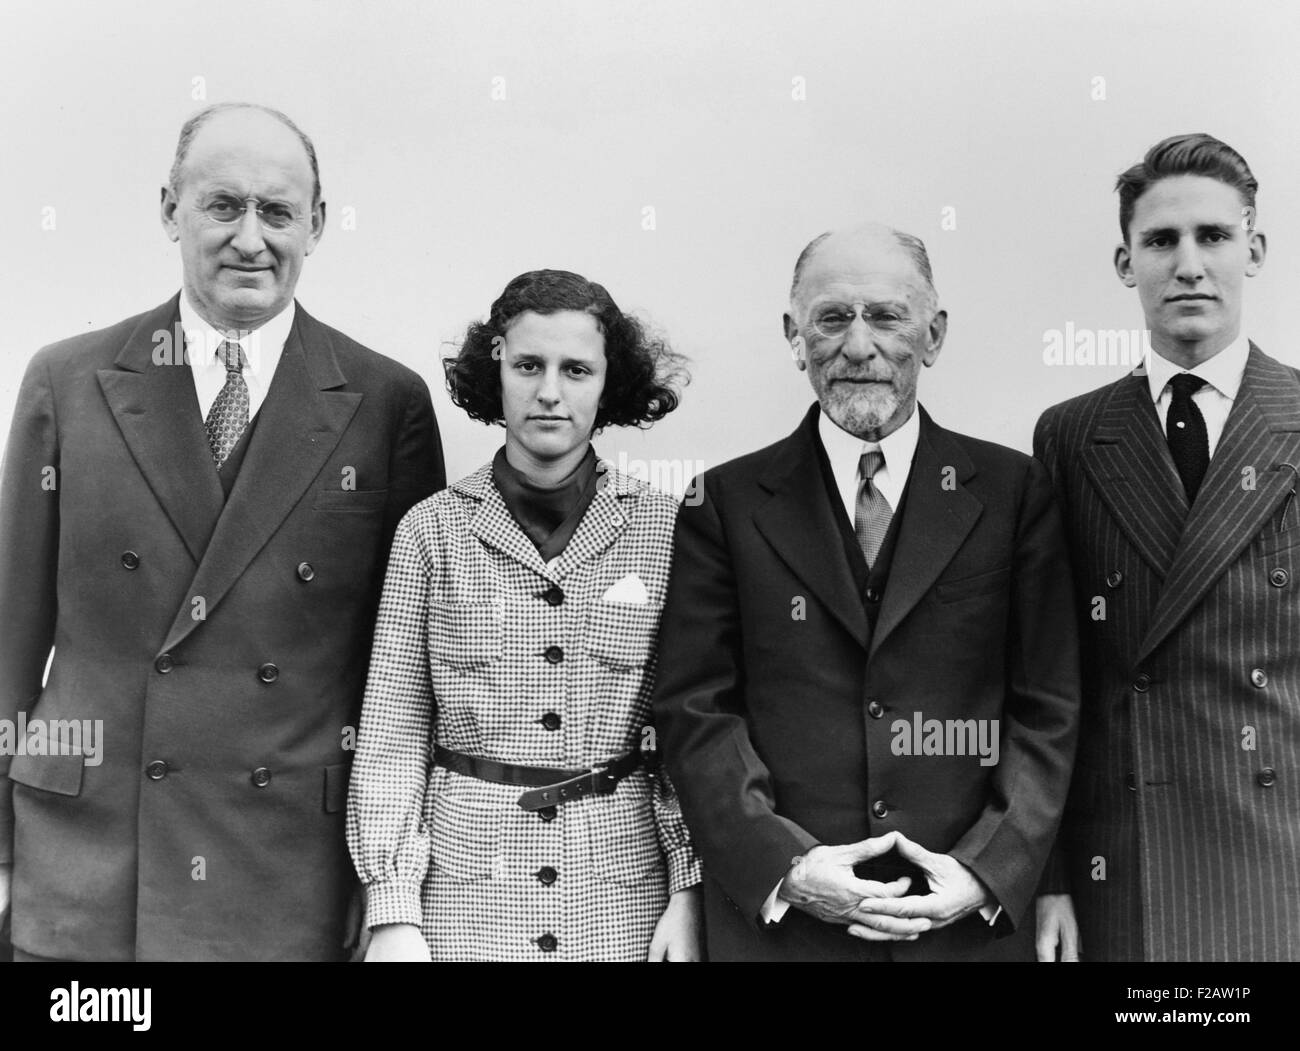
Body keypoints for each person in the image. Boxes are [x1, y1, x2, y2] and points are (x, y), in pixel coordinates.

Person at [0, 102, 444, 961]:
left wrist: (390, 888)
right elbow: (9, 646)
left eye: (277, 212)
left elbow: (401, 685)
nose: (251, 238)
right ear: (170, 208)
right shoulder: (68, 379)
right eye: (222, 206)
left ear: (316, 223)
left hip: (284, 870)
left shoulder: (386, 402)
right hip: (90, 867)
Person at [652, 223, 1081, 962]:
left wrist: (988, 870)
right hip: (784, 933)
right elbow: (696, 710)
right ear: (794, 335)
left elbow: (1049, 705)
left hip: (964, 931)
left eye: (886, 315)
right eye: (832, 317)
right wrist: (787, 866)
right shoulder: (719, 502)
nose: (858, 345)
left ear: (934, 334)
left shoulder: (1016, 493)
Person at [347, 269, 702, 961]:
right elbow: (391, 731)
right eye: (528, 365)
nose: (548, 392)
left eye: (576, 369)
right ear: (495, 370)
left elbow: (687, 730)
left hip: (621, 895)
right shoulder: (431, 531)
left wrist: (688, 888)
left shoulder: (664, 529)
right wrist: (393, 911)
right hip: (465, 895)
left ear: (609, 382)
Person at [1034, 133, 1300, 961]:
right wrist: (1049, 878)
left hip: (1278, 851)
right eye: (1161, 241)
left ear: (1253, 251)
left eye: (1213, 237)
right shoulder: (1073, 436)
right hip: (1124, 861)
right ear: (1126, 263)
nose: (1188, 264)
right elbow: (1045, 676)